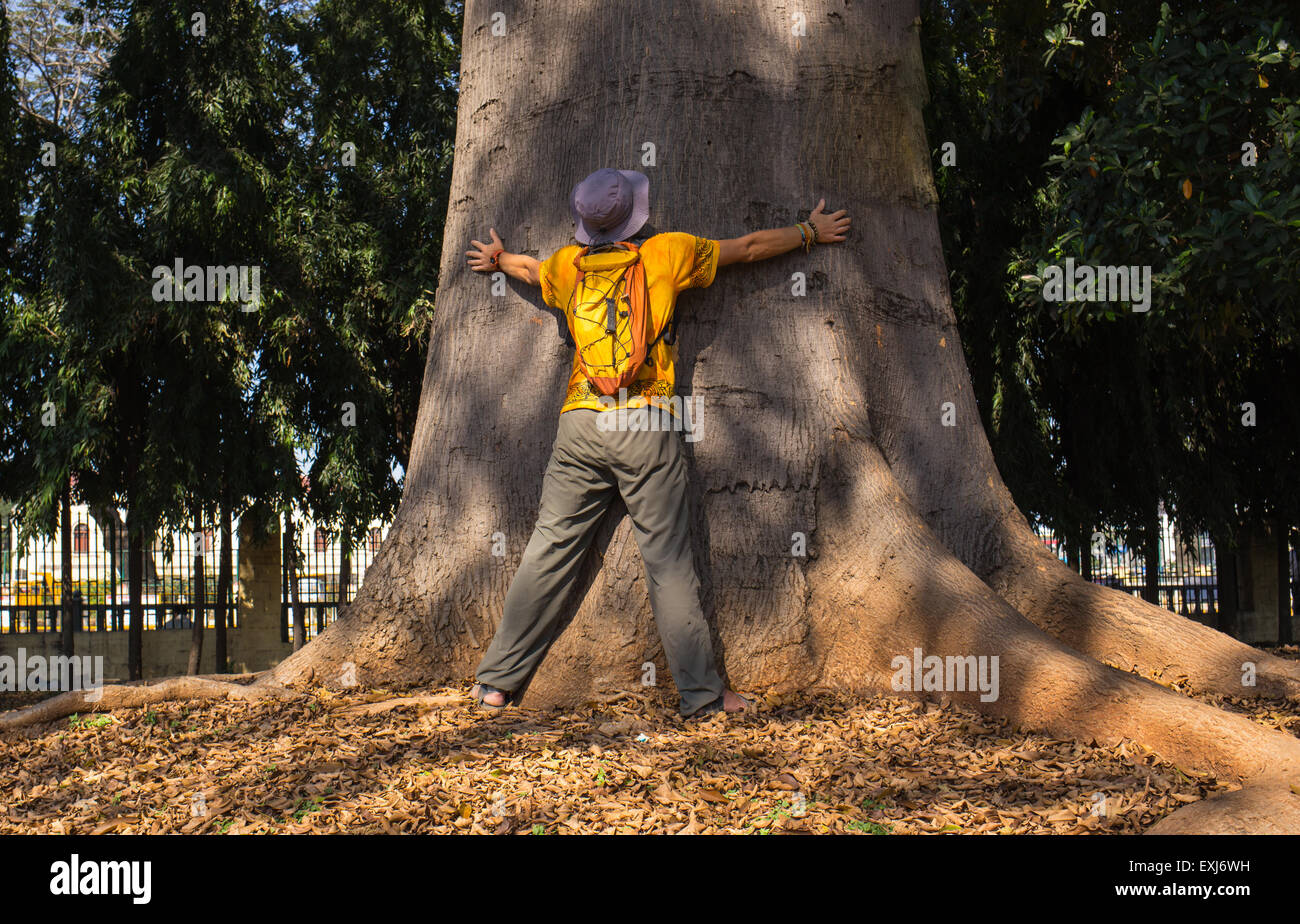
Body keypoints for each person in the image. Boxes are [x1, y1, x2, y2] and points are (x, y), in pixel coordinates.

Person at [464, 167, 850, 717]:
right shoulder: (667, 252)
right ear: (634, 216)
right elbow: (749, 247)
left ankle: (496, 683)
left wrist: (498, 260)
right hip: (645, 420)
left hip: (580, 422)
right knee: (667, 561)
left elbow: (527, 268)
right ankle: (702, 695)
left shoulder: (565, 267)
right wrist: (809, 232)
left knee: (548, 549)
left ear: (585, 223)